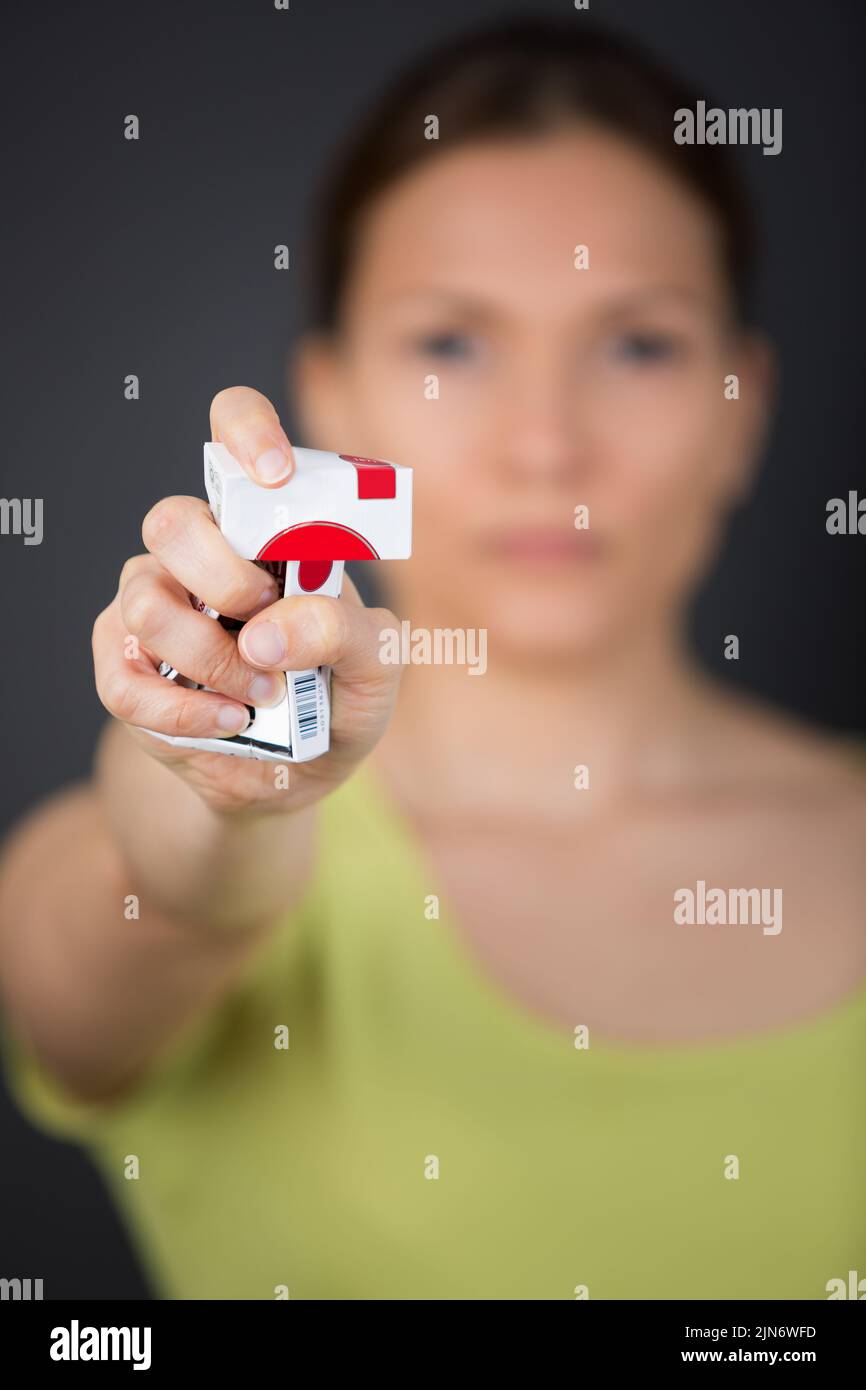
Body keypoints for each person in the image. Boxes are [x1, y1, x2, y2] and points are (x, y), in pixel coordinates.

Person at [1, 17, 864, 1301]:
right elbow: (151, 889)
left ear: (741, 410)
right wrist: (229, 778)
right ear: (329, 402)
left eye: (636, 343)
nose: (543, 444)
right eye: (449, 343)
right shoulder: (156, 882)